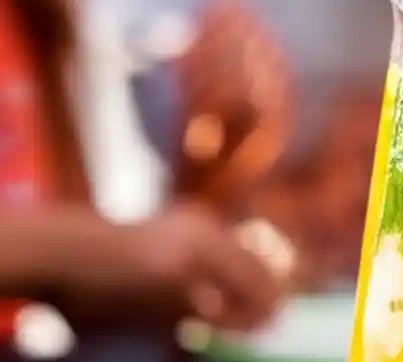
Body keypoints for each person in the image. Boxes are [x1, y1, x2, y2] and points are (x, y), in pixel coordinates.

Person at [0, 0, 289, 332]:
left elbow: (75, 279)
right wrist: (116, 247)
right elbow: (94, 250)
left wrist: (218, 163)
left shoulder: (42, 22)